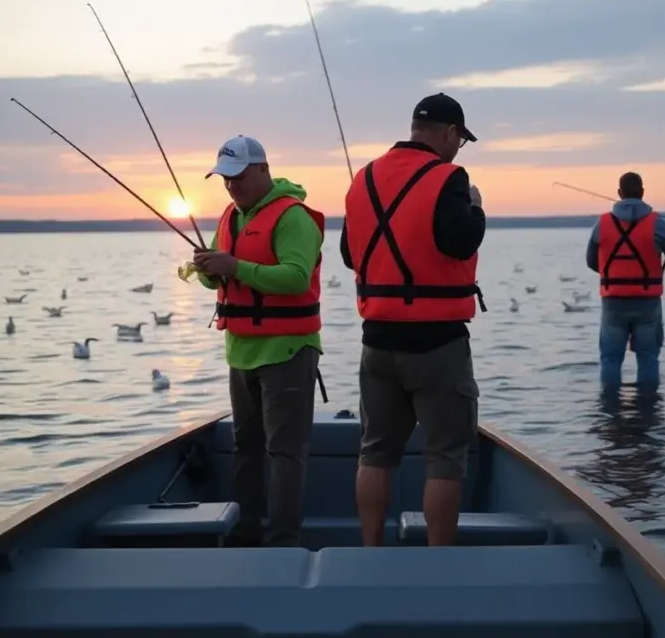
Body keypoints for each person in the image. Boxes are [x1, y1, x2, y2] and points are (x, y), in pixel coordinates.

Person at [340, 93, 486, 547]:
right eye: (460, 139)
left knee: (376, 453)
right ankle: (438, 560)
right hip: (437, 343)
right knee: (445, 457)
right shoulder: (450, 178)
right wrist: (476, 208)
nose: (458, 148)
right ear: (449, 133)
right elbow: (460, 241)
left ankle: (370, 549)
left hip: (377, 343)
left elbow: (349, 254)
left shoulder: (362, 179)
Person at [192, 134, 324, 547]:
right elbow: (218, 273)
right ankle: (245, 533)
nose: (231, 185)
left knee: (284, 452)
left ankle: (283, 541)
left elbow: (296, 277)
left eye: (239, 176)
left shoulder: (293, 217)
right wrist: (208, 270)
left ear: (264, 170)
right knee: (245, 448)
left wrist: (235, 265)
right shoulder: (230, 216)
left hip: (287, 350)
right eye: (225, 178)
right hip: (241, 350)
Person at [586, 171, 665, 393]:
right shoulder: (656, 223)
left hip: (613, 303)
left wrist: (615, 273)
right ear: (642, 193)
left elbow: (592, 262)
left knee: (611, 359)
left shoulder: (602, 223)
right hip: (647, 303)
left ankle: (610, 411)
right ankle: (648, 411)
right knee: (648, 357)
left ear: (619, 193)